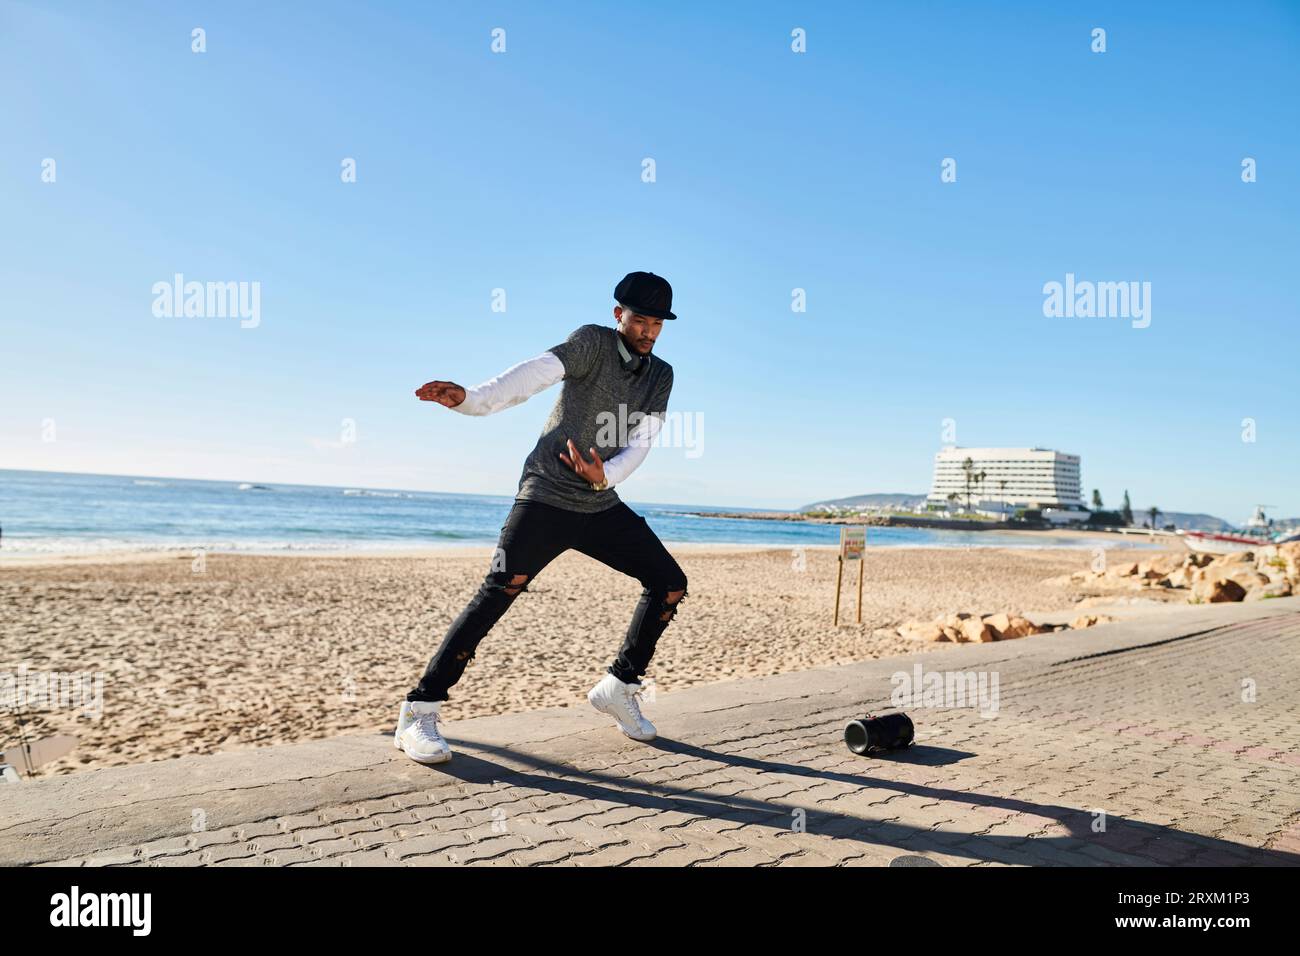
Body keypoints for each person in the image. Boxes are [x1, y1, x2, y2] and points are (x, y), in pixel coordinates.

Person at [395, 271, 688, 764]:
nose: (649, 332)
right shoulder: (591, 342)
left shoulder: (662, 375)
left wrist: (604, 476)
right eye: (640, 320)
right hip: (546, 495)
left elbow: (642, 442)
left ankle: (619, 686)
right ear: (620, 316)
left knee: (669, 583)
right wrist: (471, 400)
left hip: (598, 502)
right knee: (498, 590)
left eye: (657, 323)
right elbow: (532, 375)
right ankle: (418, 712)